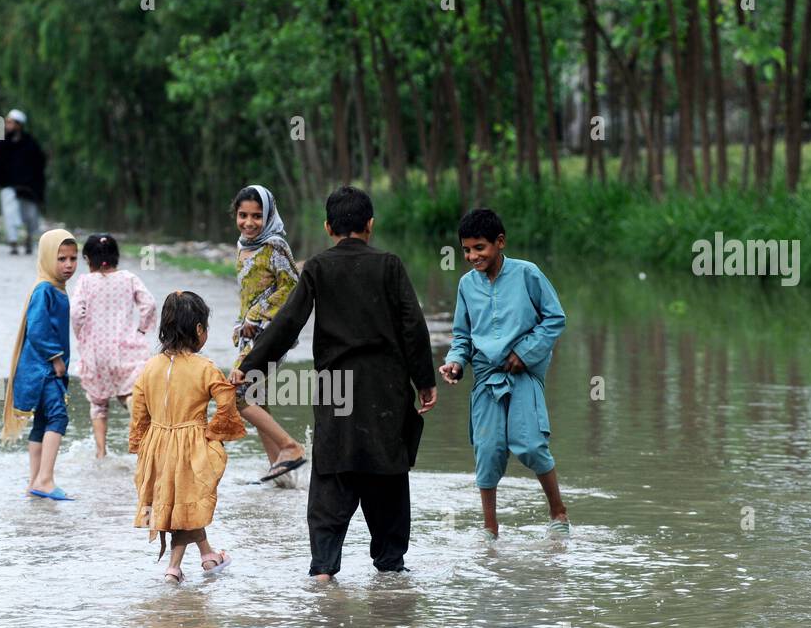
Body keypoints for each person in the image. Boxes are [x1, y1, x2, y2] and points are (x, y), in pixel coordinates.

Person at [233, 186, 436, 581]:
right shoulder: (390, 265)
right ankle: (390, 567)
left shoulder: (319, 268)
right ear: (370, 226)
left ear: (328, 228)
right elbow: (413, 325)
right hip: (386, 386)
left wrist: (252, 365)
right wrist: (424, 379)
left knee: (331, 473)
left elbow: (288, 321)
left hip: (335, 386)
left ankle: (324, 571)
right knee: (388, 471)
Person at [438, 208, 569, 538]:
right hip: (485, 377)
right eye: (466, 250)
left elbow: (555, 319)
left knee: (530, 444)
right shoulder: (466, 286)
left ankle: (559, 513)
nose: (472, 256)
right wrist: (456, 361)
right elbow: (463, 335)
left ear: (500, 243)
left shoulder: (528, 274)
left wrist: (525, 353)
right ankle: (490, 528)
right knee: (489, 450)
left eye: (479, 248)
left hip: (524, 373)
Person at [129, 291, 245, 582]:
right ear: (198, 330)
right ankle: (173, 568)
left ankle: (208, 556)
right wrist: (215, 433)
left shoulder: (149, 368)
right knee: (184, 505)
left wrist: (141, 444)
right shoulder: (204, 367)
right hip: (191, 443)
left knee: (178, 504)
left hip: (157, 443)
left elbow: (139, 412)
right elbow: (226, 400)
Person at [230, 184, 307, 483]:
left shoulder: (275, 245)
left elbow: (291, 287)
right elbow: (246, 294)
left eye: (257, 216)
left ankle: (291, 448)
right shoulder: (241, 245)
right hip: (249, 335)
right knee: (257, 399)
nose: (249, 222)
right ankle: (280, 471)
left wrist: (256, 317)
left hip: (271, 333)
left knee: (238, 394)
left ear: (269, 216)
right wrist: (240, 325)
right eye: (243, 215)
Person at [2, 229, 79, 501]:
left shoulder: (55, 288)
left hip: (45, 368)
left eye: (73, 259)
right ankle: (45, 479)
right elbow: (37, 328)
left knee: (43, 421)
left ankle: (35, 481)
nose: (68, 265)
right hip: (45, 369)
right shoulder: (44, 289)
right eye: (61, 259)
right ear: (47, 258)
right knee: (58, 417)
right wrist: (56, 357)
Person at [69, 234, 157, 459]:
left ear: (87, 259)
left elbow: (76, 312)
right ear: (117, 257)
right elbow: (149, 304)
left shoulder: (85, 282)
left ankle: (100, 453)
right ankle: (137, 427)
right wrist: (141, 331)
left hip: (96, 352)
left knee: (98, 403)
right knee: (128, 393)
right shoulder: (128, 278)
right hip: (126, 348)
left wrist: (82, 336)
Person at [0, 108, 47, 256]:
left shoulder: (30, 143)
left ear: (19, 125)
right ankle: (13, 242)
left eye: (10, 122)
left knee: (31, 215)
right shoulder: (3, 142)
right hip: (9, 185)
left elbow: (39, 164)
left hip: (28, 186)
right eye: (6, 122)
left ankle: (28, 239)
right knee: (9, 213)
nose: (7, 125)